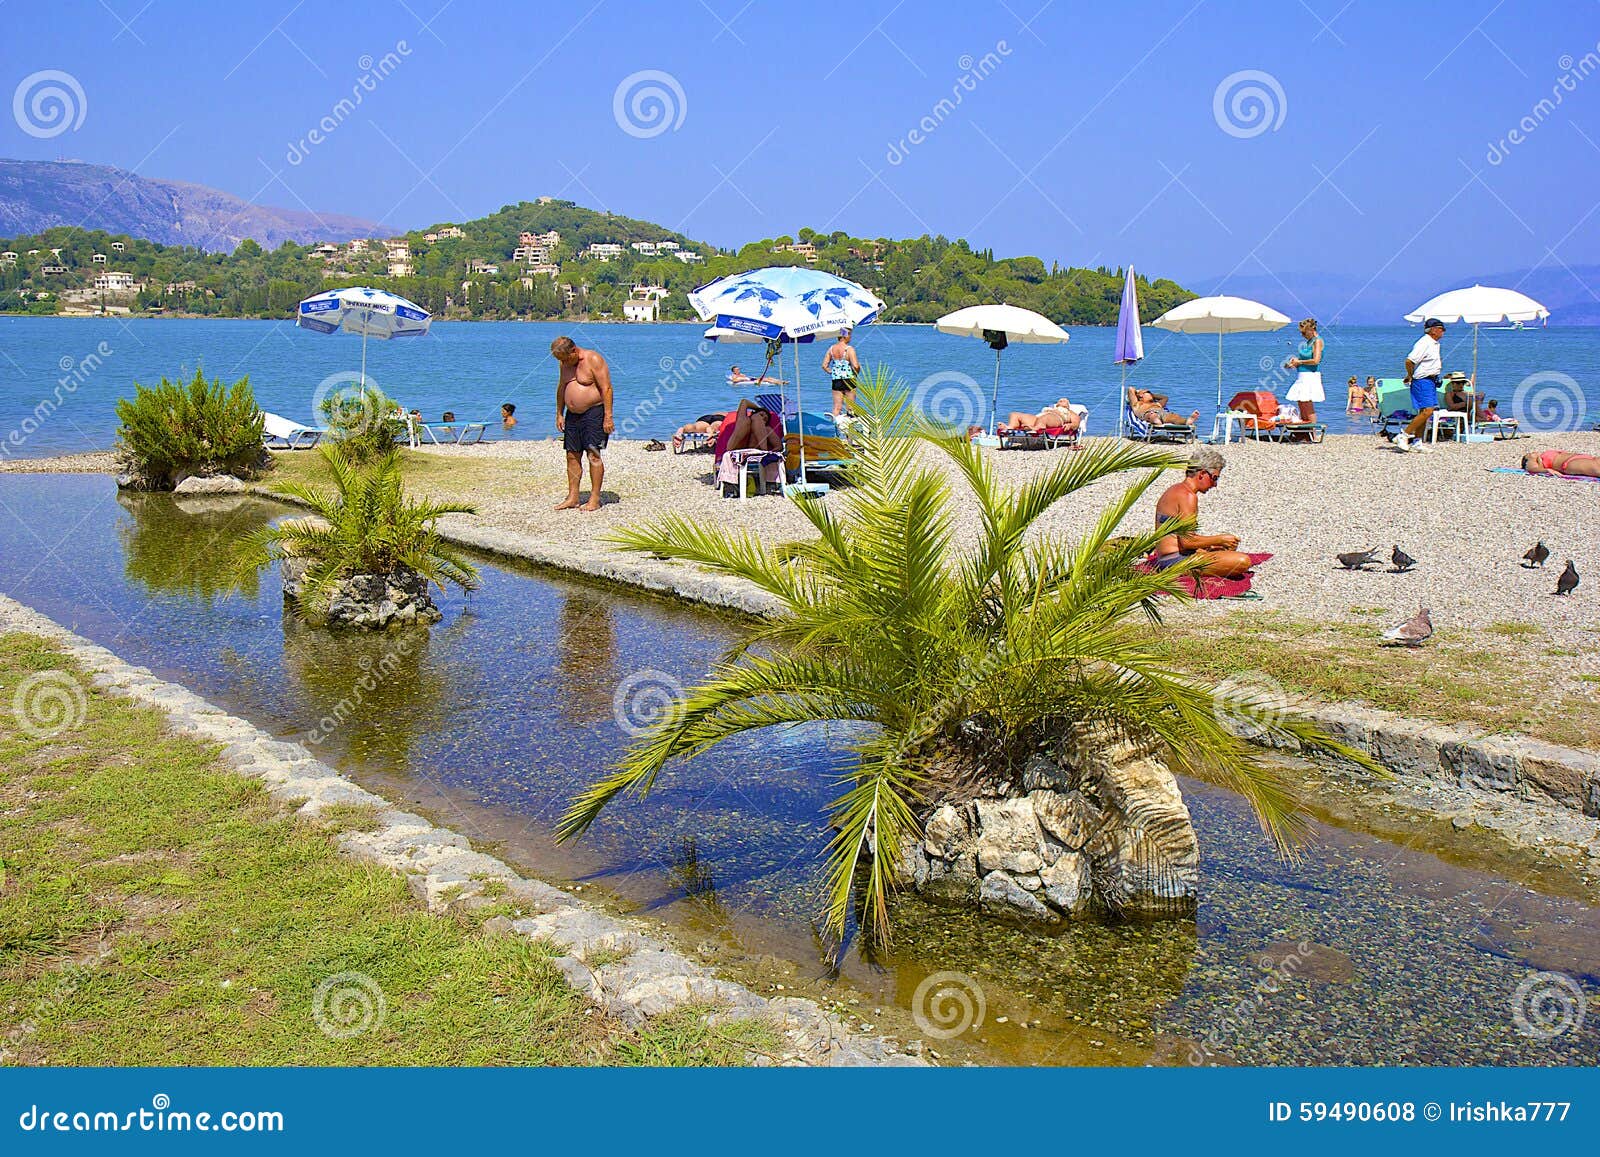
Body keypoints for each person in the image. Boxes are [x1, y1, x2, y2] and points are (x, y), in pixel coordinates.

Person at [1152, 449, 1254, 578]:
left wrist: (1214, 545)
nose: (1215, 484)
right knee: (1243, 561)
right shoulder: (1188, 496)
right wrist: (1221, 539)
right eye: (1214, 478)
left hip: (1166, 557)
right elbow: (1186, 543)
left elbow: (1182, 537)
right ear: (1202, 474)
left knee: (1224, 549)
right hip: (1173, 561)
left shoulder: (1175, 489)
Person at [551, 335, 615, 511]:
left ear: (574, 351)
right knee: (572, 455)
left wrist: (608, 416)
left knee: (593, 455)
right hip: (572, 415)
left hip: (594, 412)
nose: (563, 362)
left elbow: (606, 388)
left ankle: (595, 498)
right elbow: (562, 387)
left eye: (564, 358)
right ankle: (573, 497)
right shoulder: (564, 363)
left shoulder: (592, 359)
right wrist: (559, 413)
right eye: (560, 360)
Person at [1395, 318, 1446, 452]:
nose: (1443, 332)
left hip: (1430, 380)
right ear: (1433, 330)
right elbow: (1409, 360)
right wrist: (1410, 376)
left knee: (1424, 412)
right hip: (1422, 380)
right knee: (1428, 410)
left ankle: (1417, 442)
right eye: (1441, 329)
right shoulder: (1425, 343)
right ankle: (1404, 435)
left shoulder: (1434, 343)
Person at [1284, 317, 1324, 423]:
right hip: (1302, 375)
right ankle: (1305, 432)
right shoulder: (1308, 342)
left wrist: (1300, 362)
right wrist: (1293, 364)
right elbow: (1304, 360)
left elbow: (1316, 360)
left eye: (1304, 332)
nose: (1303, 335)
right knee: (1301, 402)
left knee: (1307, 404)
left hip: (1310, 376)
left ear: (1311, 330)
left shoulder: (1317, 341)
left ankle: (1313, 433)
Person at [822, 329, 861, 415]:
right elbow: (856, 365)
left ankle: (835, 426)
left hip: (836, 379)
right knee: (850, 407)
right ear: (845, 336)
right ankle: (849, 426)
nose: (850, 338)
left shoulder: (831, 349)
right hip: (849, 379)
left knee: (837, 407)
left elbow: (824, 365)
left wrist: (832, 372)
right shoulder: (849, 349)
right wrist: (856, 373)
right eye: (850, 335)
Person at [1128, 387, 1199, 428]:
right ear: (1140, 396)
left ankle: (1186, 421)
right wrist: (1138, 392)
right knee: (1152, 415)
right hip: (1148, 412)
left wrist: (1151, 394)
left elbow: (1165, 398)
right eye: (1147, 393)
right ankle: (1155, 420)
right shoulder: (1137, 404)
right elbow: (1130, 389)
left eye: (1150, 393)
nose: (1150, 394)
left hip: (1162, 412)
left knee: (1174, 417)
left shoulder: (1157, 404)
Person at [1004, 397, 1083, 434]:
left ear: (1068, 405)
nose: (1061, 401)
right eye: (1060, 400)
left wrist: (1070, 425)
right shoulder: (1051, 409)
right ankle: (1010, 427)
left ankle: (1037, 428)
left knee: (1045, 418)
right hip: (1038, 418)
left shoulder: (1070, 412)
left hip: (1056, 419)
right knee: (1014, 414)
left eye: (1064, 401)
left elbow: (1076, 423)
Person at [1522, 449, 1600, 478]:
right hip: (1569, 463)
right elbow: (1531, 468)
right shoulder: (1530, 463)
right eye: (1527, 455)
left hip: (1581, 457)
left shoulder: (1542, 455)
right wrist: (1547, 470)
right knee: (1597, 470)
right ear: (1527, 460)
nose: (1529, 453)